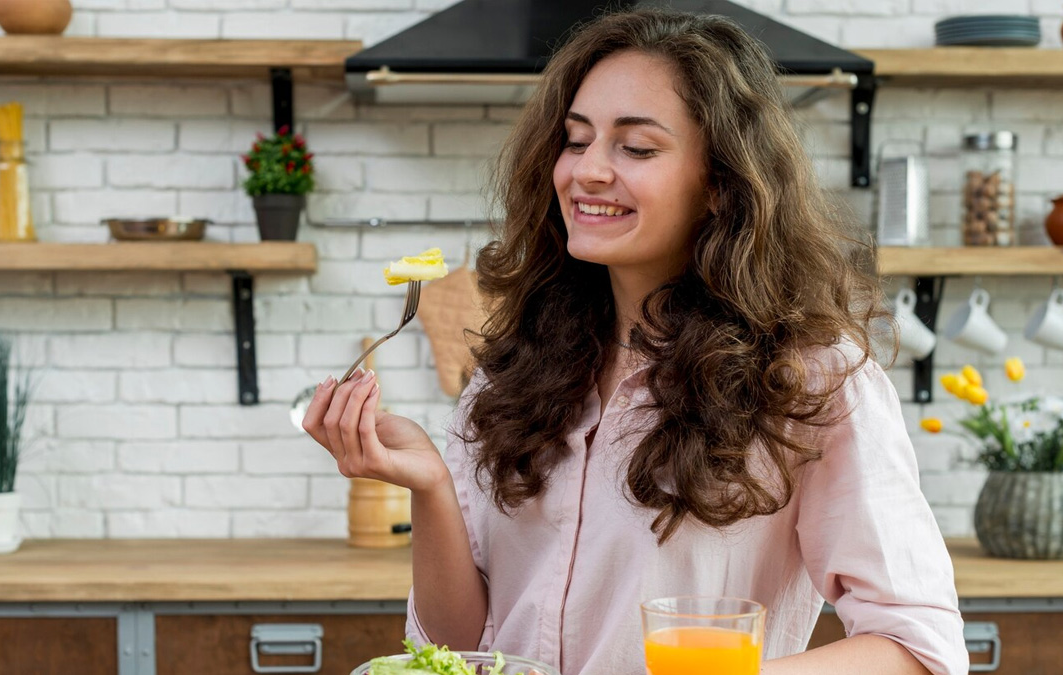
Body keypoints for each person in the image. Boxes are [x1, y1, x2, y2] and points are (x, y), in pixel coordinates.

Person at [302, 8, 968, 675]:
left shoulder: (811, 381)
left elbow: (918, 649)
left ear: (718, 184)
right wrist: (432, 487)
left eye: (636, 147)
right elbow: (458, 644)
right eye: (575, 139)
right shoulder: (513, 367)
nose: (586, 171)